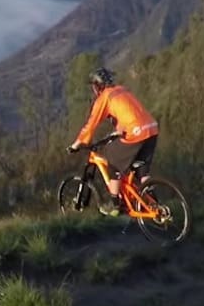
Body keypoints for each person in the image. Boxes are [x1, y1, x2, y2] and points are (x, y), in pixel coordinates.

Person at [67, 67, 159, 216]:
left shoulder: (104, 97)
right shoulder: (122, 90)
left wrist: (76, 144)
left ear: (98, 86)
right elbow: (128, 113)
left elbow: (90, 125)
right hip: (152, 129)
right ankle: (155, 206)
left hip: (137, 132)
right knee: (142, 171)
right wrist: (117, 132)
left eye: (94, 86)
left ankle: (115, 204)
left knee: (113, 161)